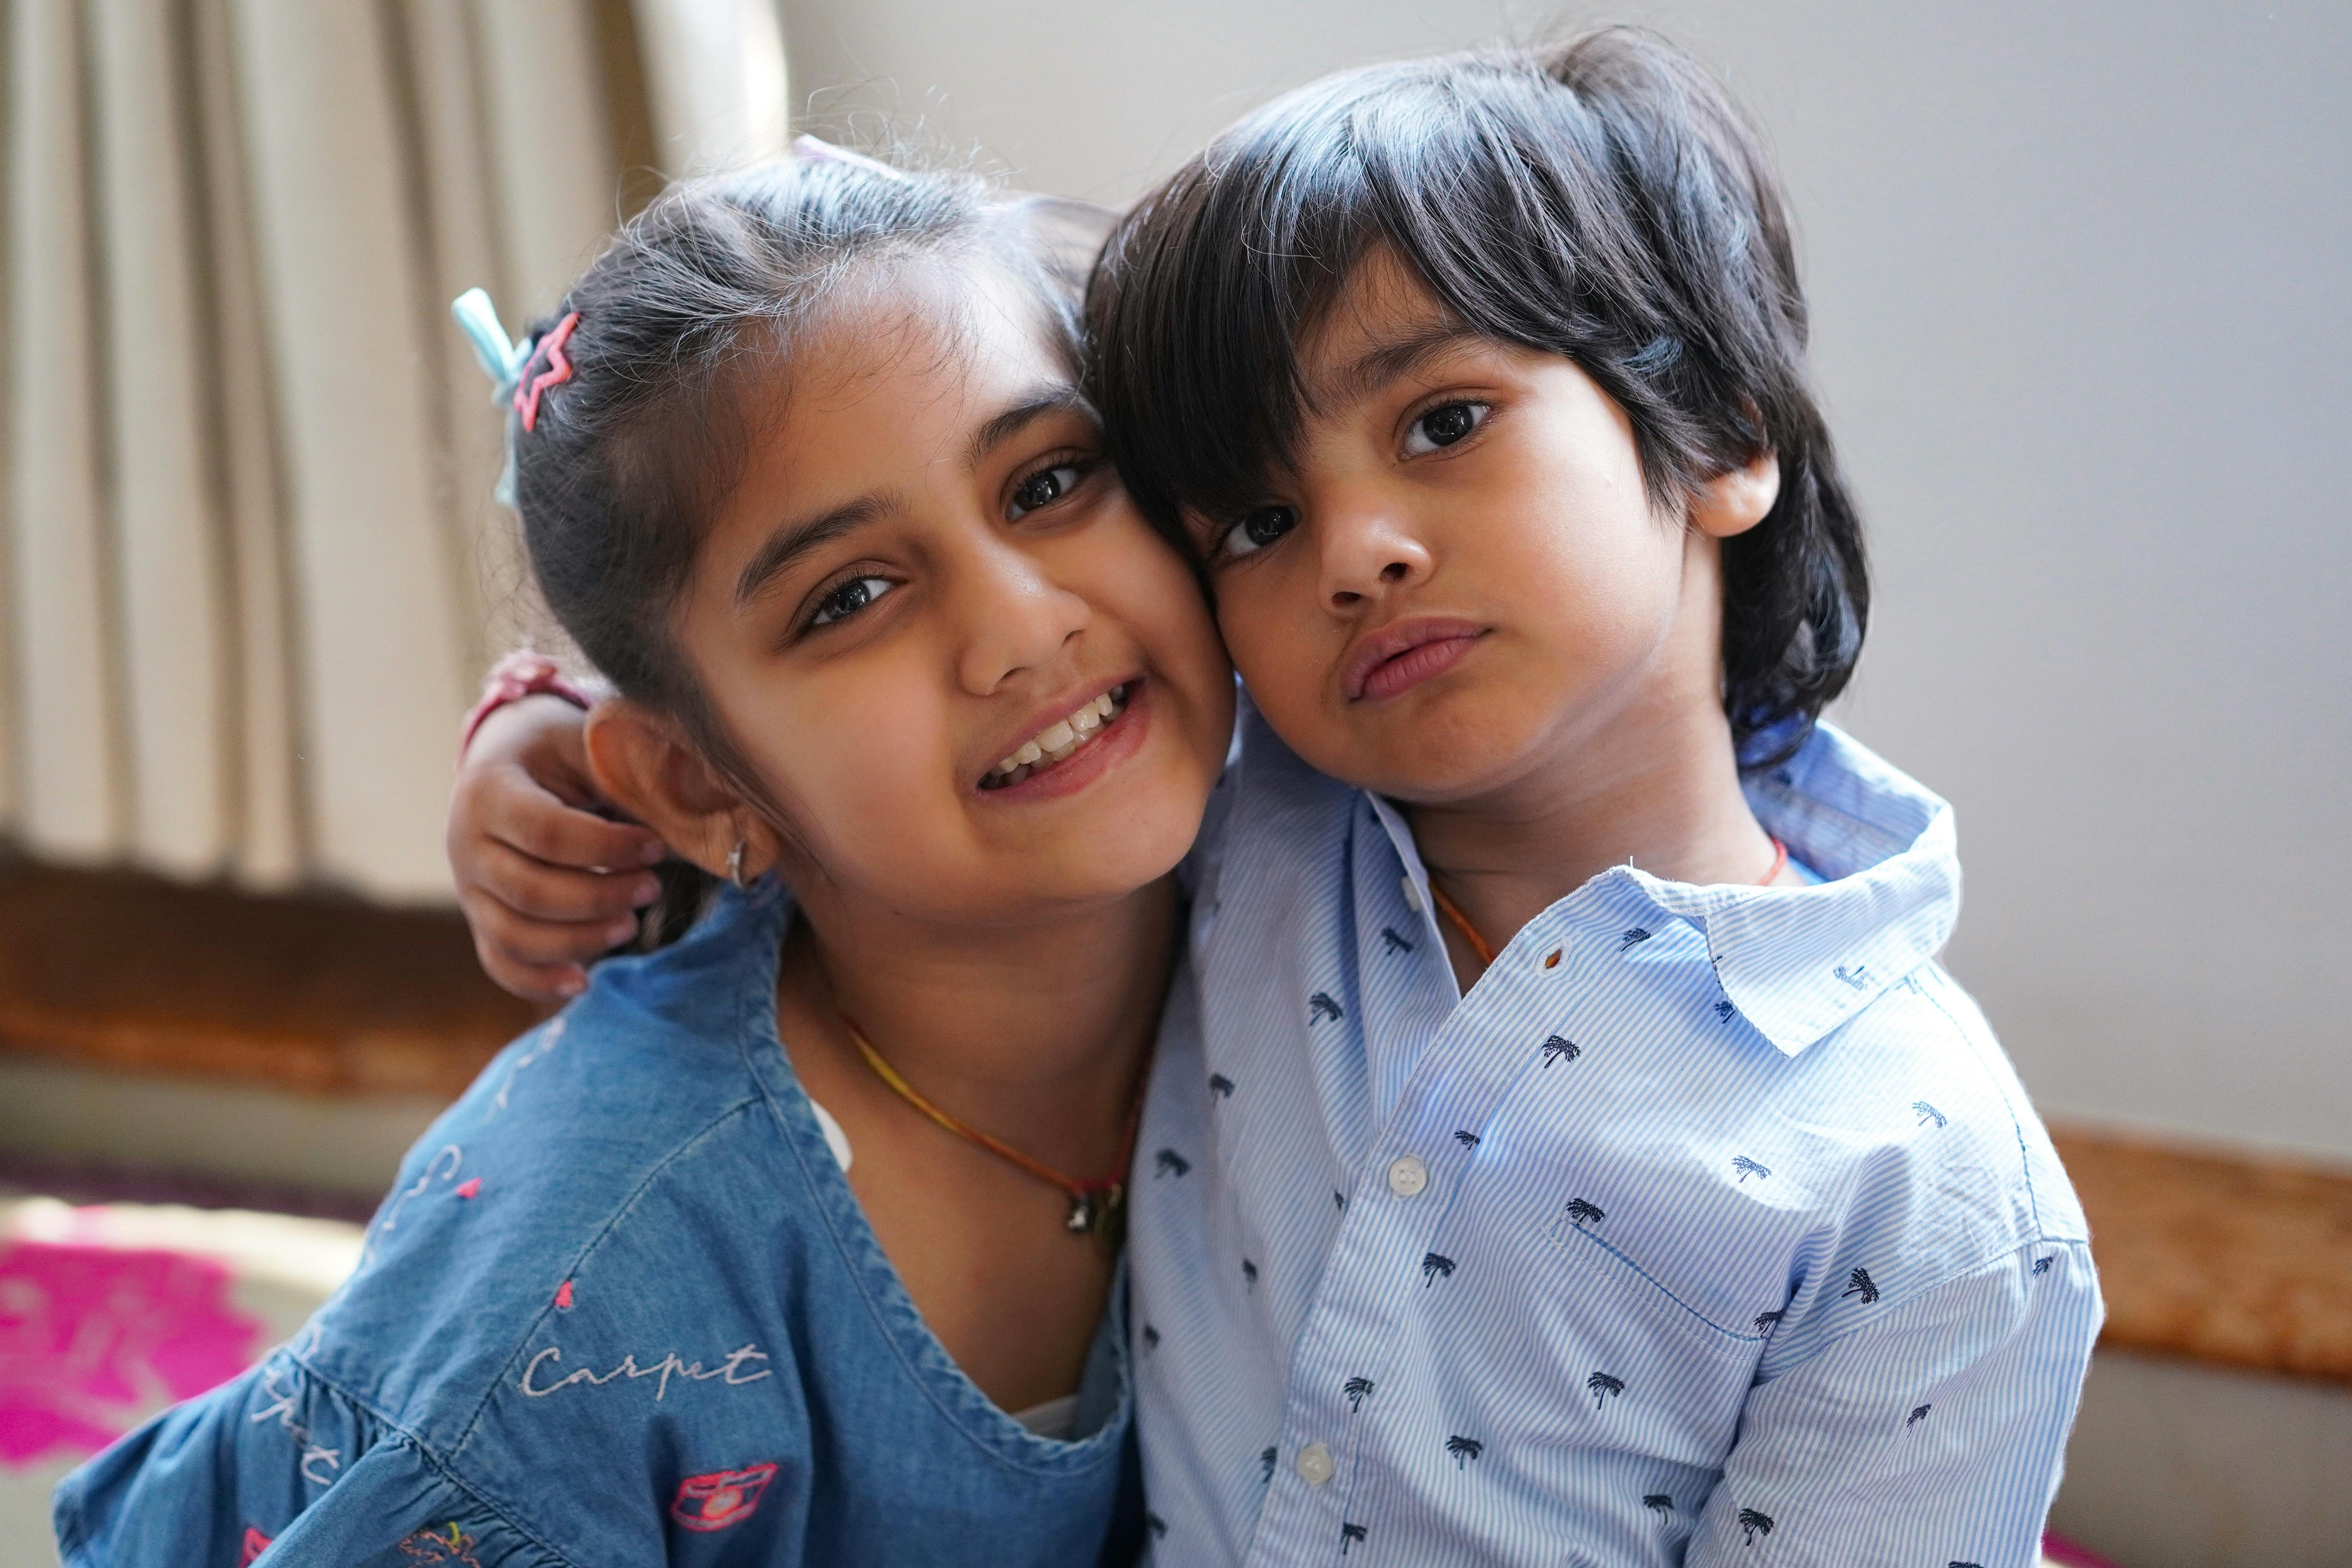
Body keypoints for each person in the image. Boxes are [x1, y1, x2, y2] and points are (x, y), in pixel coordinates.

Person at [445, 31, 2100, 1568]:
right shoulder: (1254, 822)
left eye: (1444, 421)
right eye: (1253, 521)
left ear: (1720, 434)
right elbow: (844, 596)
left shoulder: (1927, 1193)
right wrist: (562, 730)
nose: (1354, 551)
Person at [53, 145, 1237, 1565]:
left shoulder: (1321, 829)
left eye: (1048, 481)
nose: (1023, 627)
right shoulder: (582, 1308)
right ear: (694, 782)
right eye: (850, 595)